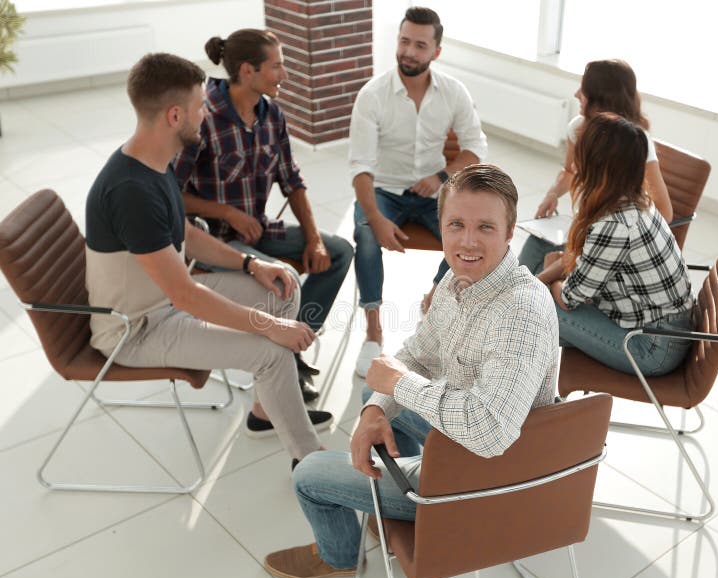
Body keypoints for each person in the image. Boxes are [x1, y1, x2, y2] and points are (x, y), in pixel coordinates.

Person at [262, 164, 559, 578]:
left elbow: (489, 431)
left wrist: (399, 385)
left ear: (510, 233)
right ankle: (395, 495)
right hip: (460, 442)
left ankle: (341, 555)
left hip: (486, 479)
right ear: (439, 225)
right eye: (456, 224)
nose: (467, 241)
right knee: (375, 399)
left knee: (309, 473)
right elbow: (417, 355)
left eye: (485, 228)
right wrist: (375, 411)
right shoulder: (459, 283)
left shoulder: (520, 311)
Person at [85, 53, 332, 469]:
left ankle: (264, 413)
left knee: (283, 283)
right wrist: (274, 329)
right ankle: (314, 468)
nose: (206, 113)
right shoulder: (131, 191)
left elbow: (186, 236)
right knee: (270, 352)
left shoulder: (153, 162)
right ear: (175, 115)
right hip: (136, 330)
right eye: (201, 106)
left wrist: (253, 266)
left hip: (161, 306)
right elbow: (185, 294)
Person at [172, 29, 354, 402]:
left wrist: (315, 239)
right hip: (213, 242)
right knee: (286, 280)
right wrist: (225, 212)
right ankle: (287, 362)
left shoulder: (272, 115)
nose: (284, 75)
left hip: (257, 232)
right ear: (247, 71)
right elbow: (170, 193)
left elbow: (293, 181)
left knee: (339, 251)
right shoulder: (202, 116)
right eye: (277, 66)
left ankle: (289, 351)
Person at [349, 6, 488, 377]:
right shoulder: (373, 95)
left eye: (420, 45)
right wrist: (376, 219)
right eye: (404, 41)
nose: (409, 51)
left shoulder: (453, 92)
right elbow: (360, 167)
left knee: (470, 236)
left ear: (436, 52)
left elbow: (476, 148)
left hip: (433, 190)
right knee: (364, 234)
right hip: (384, 188)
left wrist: (442, 176)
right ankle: (373, 333)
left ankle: (434, 307)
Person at [532, 113, 694, 377]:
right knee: (534, 296)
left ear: (596, 164)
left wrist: (545, 283)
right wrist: (541, 278)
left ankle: (520, 394)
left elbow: (567, 299)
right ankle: (534, 391)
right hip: (663, 329)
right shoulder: (636, 200)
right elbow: (581, 261)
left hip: (652, 347)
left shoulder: (614, 225)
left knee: (533, 309)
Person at [519, 58, 671, 275]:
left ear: (602, 100)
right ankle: (512, 294)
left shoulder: (635, 144)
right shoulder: (578, 128)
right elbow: (571, 171)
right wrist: (553, 194)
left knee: (549, 278)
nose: (576, 94)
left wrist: (615, 240)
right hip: (587, 227)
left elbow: (664, 211)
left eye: (584, 89)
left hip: (611, 238)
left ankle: (527, 295)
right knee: (537, 243)